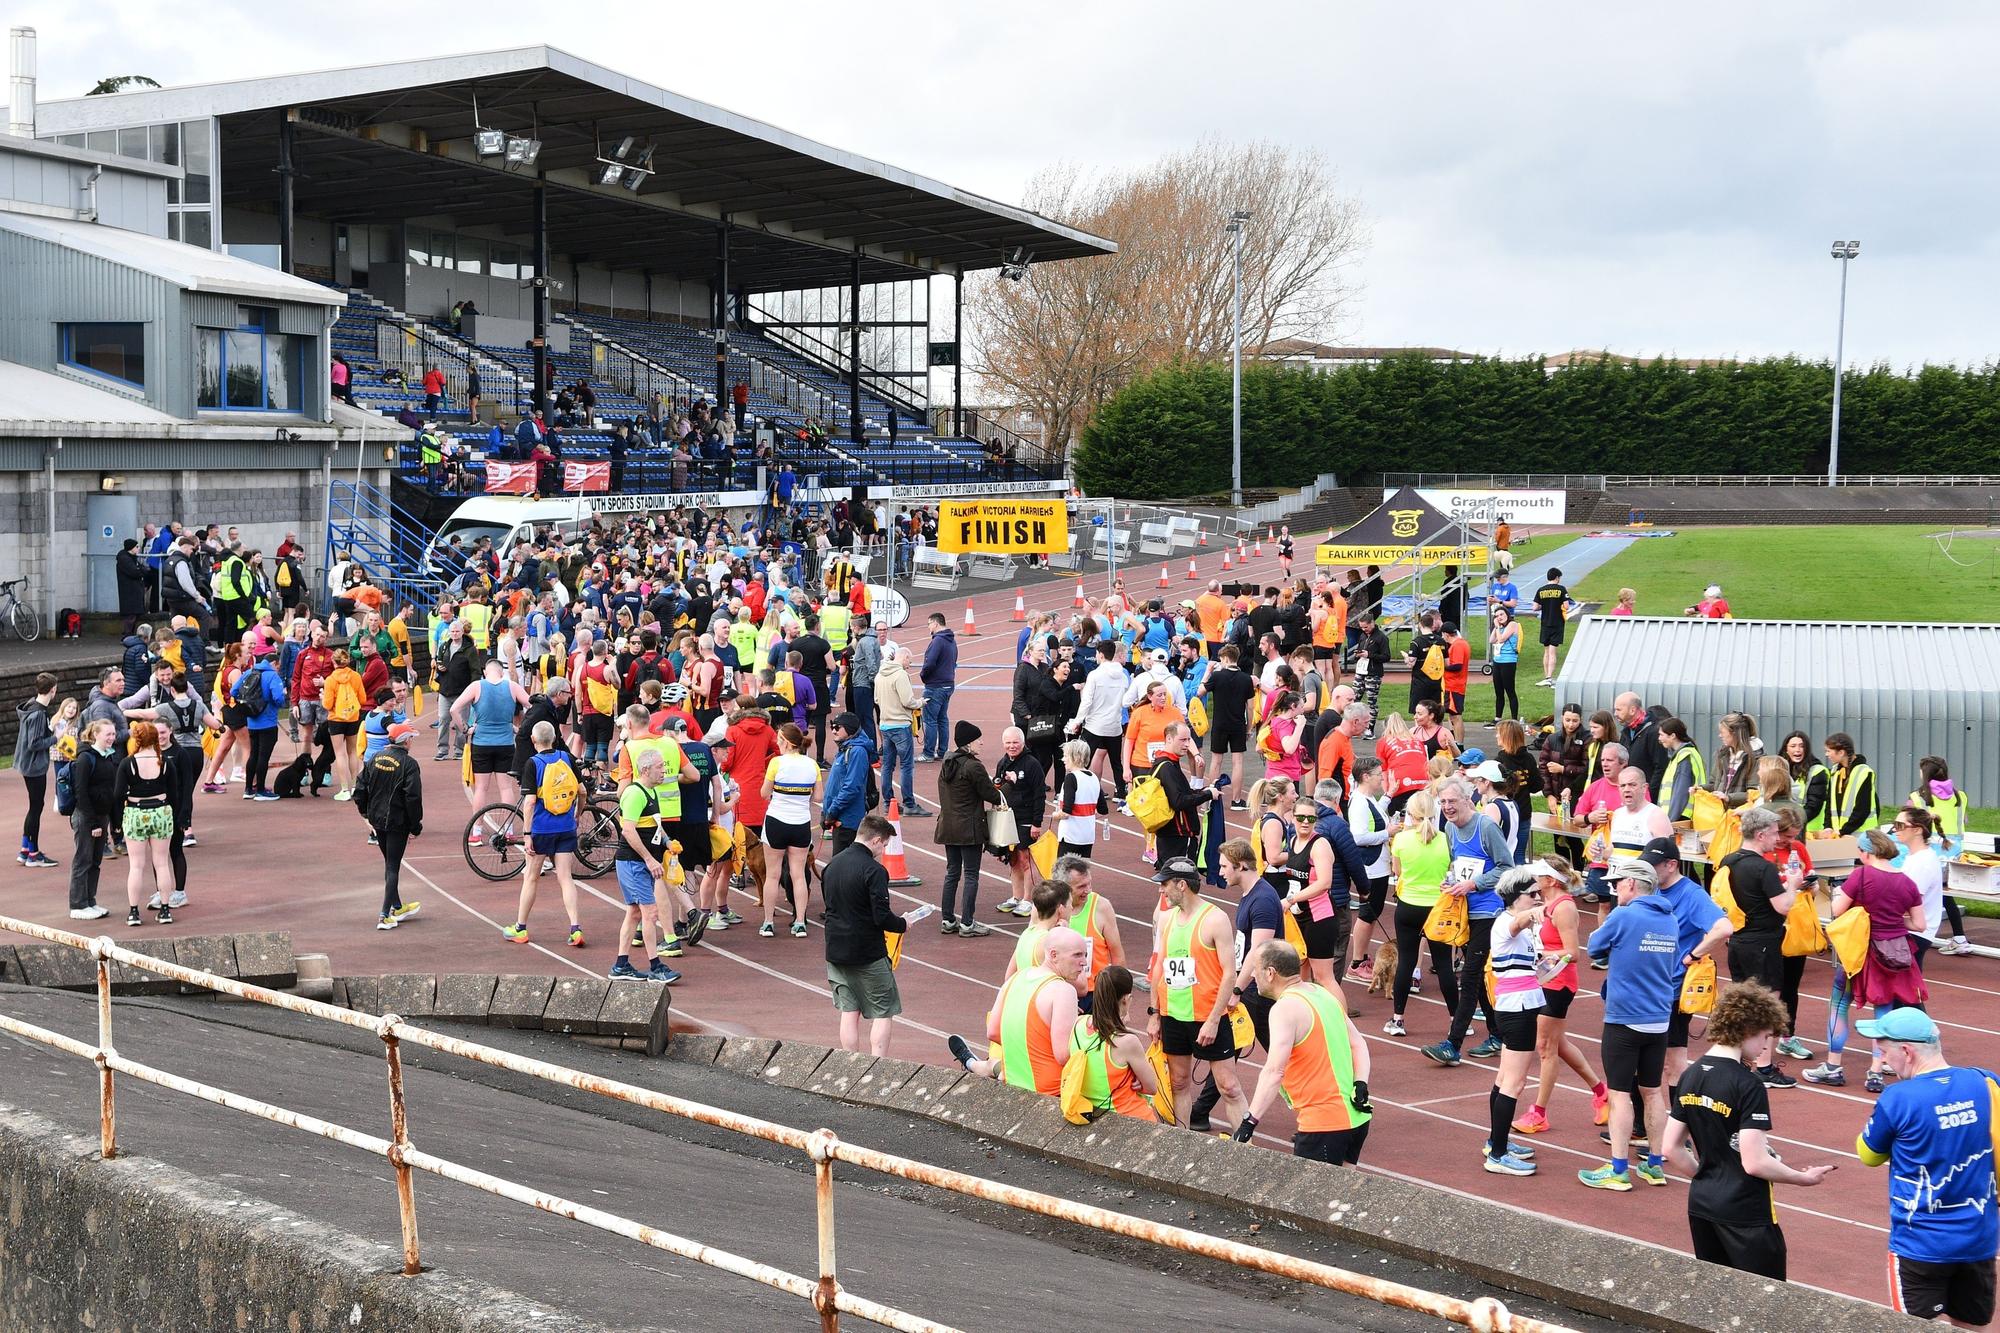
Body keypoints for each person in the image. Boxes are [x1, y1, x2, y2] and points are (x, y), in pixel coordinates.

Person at [1659, 981, 1837, 1280]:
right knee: (1766, 1303)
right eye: (1765, 1036)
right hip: (1746, 1213)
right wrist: (1802, 1178)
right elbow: (1754, 1162)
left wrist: (1708, 1178)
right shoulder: (1747, 1083)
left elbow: (1670, 1149)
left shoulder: (1690, 1075)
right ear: (1746, 1029)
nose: (1767, 1045)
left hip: (1702, 1205)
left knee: (1716, 1294)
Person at [1857, 1008, 2000, 1324]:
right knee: (1972, 1326)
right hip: (1979, 1239)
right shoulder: (1985, 1082)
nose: (1882, 1061)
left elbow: (1868, 1155)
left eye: (1883, 1052)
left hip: (1920, 1244)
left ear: (1906, 1052)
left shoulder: (1898, 1098)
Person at [1802, 830, 1928, 1093]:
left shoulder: (1861, 875)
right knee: (1884, 1008)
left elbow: (1837, 910)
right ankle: (1876, 1071)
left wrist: (1844, 900)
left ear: (1867, 852)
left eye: (1860, 852)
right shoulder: (1907, 882)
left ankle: (1833, 1065)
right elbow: (1919, 923)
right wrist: (1893, 919)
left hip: (1859, 952)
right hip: (1893, 953)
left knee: (1839, 1002)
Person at [1578, 860, 1677, 1191]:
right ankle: (1655, 1165)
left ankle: (1619, 1169)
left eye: (1618, 882)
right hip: (1659, 1019)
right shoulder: (1670, 918)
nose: (1614, 888)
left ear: (1633, 885)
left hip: (1625, 1018)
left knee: (1619, 1095)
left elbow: (1594, 946)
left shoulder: (1624, 915)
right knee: (1652, 1092)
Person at [1233, 940, 1373, 1165]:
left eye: (1255, 969)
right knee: (1343, 1197)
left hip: (1324, 1124)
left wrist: (1249, 1122)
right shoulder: (1321, 992)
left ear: (1270, 973)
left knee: (1311, 1198)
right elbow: (1358, 1043)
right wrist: (1360, 1084)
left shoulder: (1284, 1009)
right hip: (1357, 1119)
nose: (1251, 974)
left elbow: (1273, 1071)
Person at [1511, 855, 1610, 1136]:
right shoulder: (1548, 905)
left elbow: (1573, 953)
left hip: (1558, 984)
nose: (1535, 879)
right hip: (1546, 980)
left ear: (1551, 880)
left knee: (1545, 1047)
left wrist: (1539, 954)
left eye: (1539, 875)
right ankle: (1601, 1093)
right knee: (1558, 1044)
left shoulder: (1564, 907)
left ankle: (1539, 1113)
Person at [1418, 779, 1515, 1067]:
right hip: (1464, 912)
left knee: (1470, 975)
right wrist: (1451, 882)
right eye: (1443, 802)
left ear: (1467, 800)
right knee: (1480, 976)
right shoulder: (1449, 829)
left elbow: (1507, 868)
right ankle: (1498, 1035)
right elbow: (1457, 864)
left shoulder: (1485, 827)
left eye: (1452, 801)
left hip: (1489, 911)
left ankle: (1453, 1044)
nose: (1447, 807)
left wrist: (1474, 884)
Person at [1150, 856, 1248, 1130]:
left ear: (1182, 885)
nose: (1160, 890)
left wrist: (1215, 1019)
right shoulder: (1165, 918)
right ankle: (1183, 1141)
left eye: (1165, 884)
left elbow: (1230, 973)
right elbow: (1159, 967)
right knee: (1178, 1083)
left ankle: (1246, 1146)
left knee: (1228, 1086)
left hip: (1207, 1016)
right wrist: (1154, 1014)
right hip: (1172, 1015)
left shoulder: (1215, 919)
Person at [1720, 807, 1805, 1088]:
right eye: (1772, 834)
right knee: (1767, 1005)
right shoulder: (1763, 867)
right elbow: (1783, 905)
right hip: (1764, 943)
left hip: (1738, 940)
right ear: (1760, 834)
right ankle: (1765, 1067)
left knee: (1743, 1002)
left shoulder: (1728, 861)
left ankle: (1738, 1061)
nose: (1775, 839)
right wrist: (1792, 884)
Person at [947, 927, 1089, 1093]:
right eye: (1077, 955)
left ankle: (975, 1064)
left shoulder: (1015, 978)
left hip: (1013, 1082)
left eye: (1085, 955)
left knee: (995, 1064)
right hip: (1051, 1090)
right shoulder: (1063, 990)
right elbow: (1064, 1056)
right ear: (1053, 955)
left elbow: (993, 1032)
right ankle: (979, 1065)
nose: (1084, 962)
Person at [1481, 865, 1551, 1176]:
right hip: (1517, 1008)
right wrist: (1537, 913)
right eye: (1532, 894)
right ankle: (1497, 1154)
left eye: (1539, 894)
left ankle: (1497, 1141)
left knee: (1503, 1078)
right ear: (1515, 897)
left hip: (1519, 1004)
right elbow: (1520, 921)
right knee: (1515, 1082)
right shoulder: (1508, 922)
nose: (1538, 898)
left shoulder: (1516, 925)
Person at [823, 814, 908, 1055]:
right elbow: (881, 917)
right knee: (883, 1010)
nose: (884, 850)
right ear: (877, 840)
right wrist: (903, 923)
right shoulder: (875, 871)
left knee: (849, 1012)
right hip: (867, 952)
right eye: (885, 844)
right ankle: (877, 1063)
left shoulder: (832, 866)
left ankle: (850, 1063)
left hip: (836, 950)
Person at [502, 721, 586, 948]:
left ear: (533, 740)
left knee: (531, 877)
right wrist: (577, 814)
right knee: (565, 878)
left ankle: (520, 928)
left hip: (541, 828)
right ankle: (575, 928)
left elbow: (529, 802)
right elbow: (582, 791)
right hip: (566, 827)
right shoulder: (567, 758)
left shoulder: (533, 763)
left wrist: (527, 833)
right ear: (555, 738)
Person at [608, 747, 684, 984]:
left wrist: (667, 841)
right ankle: (656, 966)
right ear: (646, 770)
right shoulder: (635, 794)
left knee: (634, 913)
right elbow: (628, 830)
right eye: (660, 767)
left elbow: (653, 825)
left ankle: (621, 965)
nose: (664, 771)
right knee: (649, 913)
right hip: (633, 863)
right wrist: (650, 860)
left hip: (638, 863)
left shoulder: (651, 792)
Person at [353, 721, 425, 932]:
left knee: (389, 863)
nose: (412, 741)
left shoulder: (374, 758)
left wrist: (365, 813)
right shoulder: (409, 764)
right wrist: (415, 826)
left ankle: (398, 907)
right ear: (405, 741)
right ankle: (384, 915)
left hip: (377, 819)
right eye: (410, 737)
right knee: (393, 866)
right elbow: (413, 798)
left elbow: (360, 788)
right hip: (397, 822)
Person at [1067, 966, 1162, 1123]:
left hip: (1088, 1111)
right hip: (1128, 1115)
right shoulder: (1126, 1041)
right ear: (1126, 999)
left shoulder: (1078, 1023)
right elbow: (1152, 1087)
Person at [936, 720, 1002, 936]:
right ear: (968, 743)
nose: (981, 743)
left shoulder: (947, 764)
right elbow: (991, 795)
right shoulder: (973, 766)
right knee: (971, 874)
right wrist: (1008, 784)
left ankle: (947, 919)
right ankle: (967, 923)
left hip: (948, 827)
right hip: (969, 829)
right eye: (977, 740)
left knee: (952, 873)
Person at [759, 722, 821, 939]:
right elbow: (820, 797)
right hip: (801, 823)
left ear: (786, 742)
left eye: (778, 738)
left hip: (777, 821)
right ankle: (800, 922)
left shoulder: (776, 762)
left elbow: (764, 793)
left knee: (772, 875)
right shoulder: (812, 764)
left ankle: (768, 922)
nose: (776, 741)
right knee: (798, 875)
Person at [113, 722, 178, 928]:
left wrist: (117, 822)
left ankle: (133, 912)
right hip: (161, 810)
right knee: (161, 863)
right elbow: (174, 793)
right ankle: (165, 909)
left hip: (136, 812)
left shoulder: (127, 763)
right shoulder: (165, 761)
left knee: (136, 865)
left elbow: (118, 794)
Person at [1913, 757, 1973, 954]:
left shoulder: (1918, 797)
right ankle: (1959, 937)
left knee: (1916, 894)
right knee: (1947, 897)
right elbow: (1963, 820)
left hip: (1930, 856)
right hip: (1954, 858)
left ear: (1926, 774)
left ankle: (1914, 936)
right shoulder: (1960, 796)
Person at [67, 718, 119, 920]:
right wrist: (94, 823)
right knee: (83, 859)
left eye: (113, 734)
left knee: (95, 861)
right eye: (108, 734)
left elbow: (111, 792)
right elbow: (81, 792)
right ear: (96, 734)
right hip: (86, 817)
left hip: (102, 816)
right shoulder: (85, 759)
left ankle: (90, 901)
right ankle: (77, 905)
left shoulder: (109, 757)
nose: (112, 738)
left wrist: (115, 824)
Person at [15, 672, 59, 868]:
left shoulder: (31, 706)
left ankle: (26, 849)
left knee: (34, 806)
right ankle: (33, 853)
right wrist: (56, 737)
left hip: (28, 764)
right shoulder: (38, 713)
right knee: (36, 807)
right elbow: (34, 743)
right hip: (34, 766)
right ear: (53, 690)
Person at [236, 644, 288, 801]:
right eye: (278, 666)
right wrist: (276, 701)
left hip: (252, 720)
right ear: (275, 664)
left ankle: (248, 789)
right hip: (268, 721)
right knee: (263, 756)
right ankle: (260, 790)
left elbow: (234, 691)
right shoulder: (273, 676)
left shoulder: (249, 672)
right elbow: (279, 698)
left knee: (253, 754)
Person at [820, 713, 873, 857]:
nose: (833, 730)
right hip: (839, 818)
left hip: (848, 821)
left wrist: (832, 811)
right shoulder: (845, 749)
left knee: (842, 868)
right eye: (832, 726)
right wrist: (826, 811)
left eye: (837, 727)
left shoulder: (857, 752)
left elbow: (851, 787)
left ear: (849, 729)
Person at [918, 613, 958, 761]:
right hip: (948, 684)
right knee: (942, 719)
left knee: (930, 720)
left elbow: (930, 662)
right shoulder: (951, 641)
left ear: (935, 623)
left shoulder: (937, 641)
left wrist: (923, 675)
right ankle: (942, 751)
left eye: (929, 624)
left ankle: (928, 753)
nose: (928, 627)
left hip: (935, 685)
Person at [1823, 732, 1877, 836]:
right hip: (1839, 835)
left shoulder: (1864, 772)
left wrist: (1843, 831)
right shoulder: (1835, 771)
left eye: (1829, 751)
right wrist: (1828, 826)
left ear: (1841, 752)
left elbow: (1862, 809)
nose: (1827, 754)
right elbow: (1830, 802)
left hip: (1860, 836)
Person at [1531, 567, 1571, 686]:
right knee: (1553, 652)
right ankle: (1550, 677)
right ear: (1557, 578)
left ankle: (1546, 676)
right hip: (1557, 623)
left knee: (1546, 651)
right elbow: (1567, 606)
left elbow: (1535, 607)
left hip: (1545, 623)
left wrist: (1545, 605)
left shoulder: (1541, 590)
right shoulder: (1561, 589)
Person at [1487, 606, 1522, 723]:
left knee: (1510, 690)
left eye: (1501, 614)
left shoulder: (1512, 625)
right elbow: (1491, 640)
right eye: (1497, 616)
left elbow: (1501, 639)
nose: (1499, 617)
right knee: (1498, 691)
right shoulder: (1499, 627)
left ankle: (1514, 718)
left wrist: (1497, 627)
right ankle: (1498, 717)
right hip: (1498, 661)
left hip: (1508, 661)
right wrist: (1496, 627)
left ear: (1507, 614)